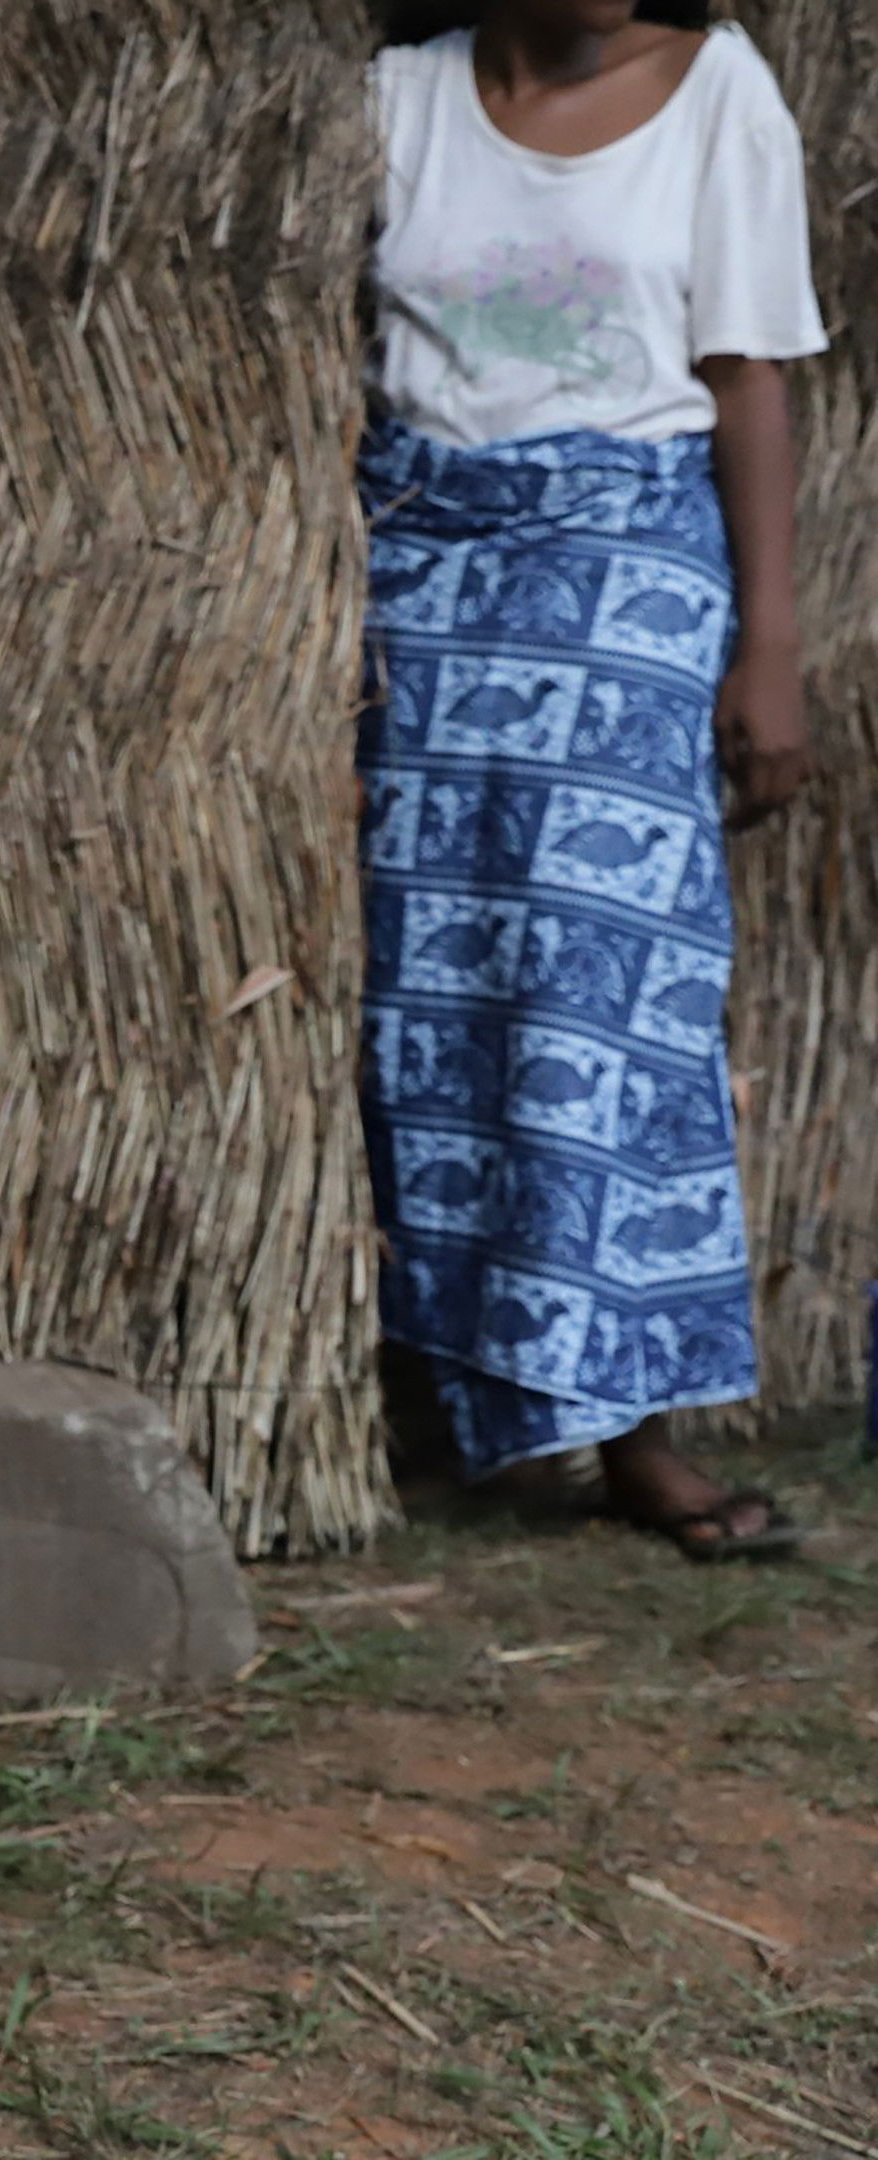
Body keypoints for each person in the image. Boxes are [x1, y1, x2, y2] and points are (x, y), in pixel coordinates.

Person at [359, 0, 821, 1557]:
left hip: (620, 547)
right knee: (430, 1001)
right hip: (422, 559)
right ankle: (472, 1402)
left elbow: (748, 378)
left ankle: (633, 1429)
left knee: (605, 997)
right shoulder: (398, 98)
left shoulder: (718, 91)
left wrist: (769, 649)